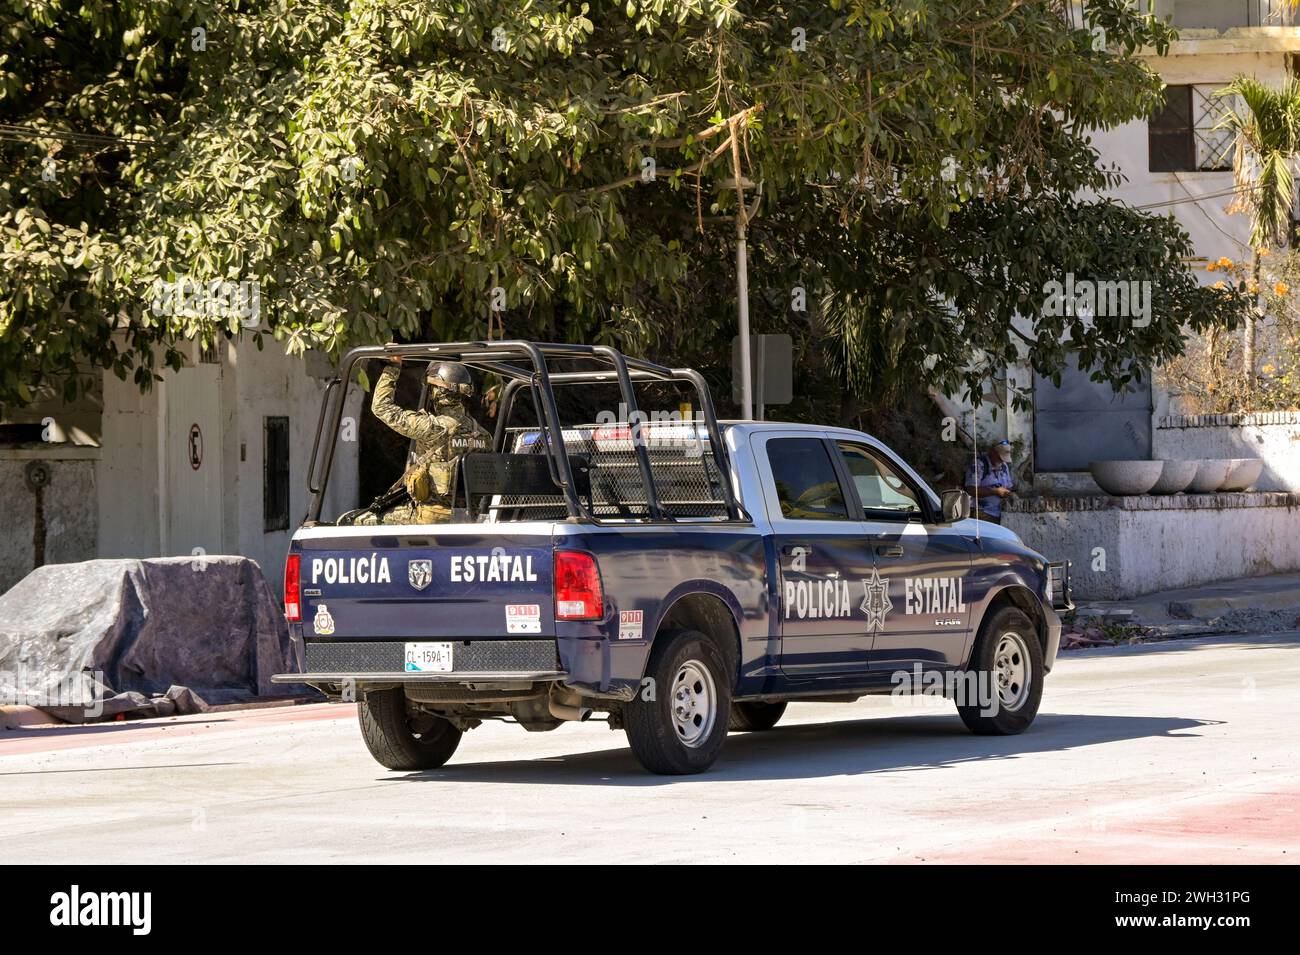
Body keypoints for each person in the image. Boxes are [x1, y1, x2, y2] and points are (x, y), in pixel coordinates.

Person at [352, 356, 492, 525]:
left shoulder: (433, 427)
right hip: (468, 518)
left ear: (438, 391)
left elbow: (381, 407)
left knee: (356, 520)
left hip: (430, 516)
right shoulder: (483, 435)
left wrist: (393, 368)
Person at [964, 438, 1015, 524]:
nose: (1002, 460)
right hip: (982, 514)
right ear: (992, 452)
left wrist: (1008, 493)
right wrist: (995, 491)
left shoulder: (1004, 466)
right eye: (1000, 457)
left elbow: (1009, 486)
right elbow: (971, 490)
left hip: (1001, 514)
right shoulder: (979, 465)